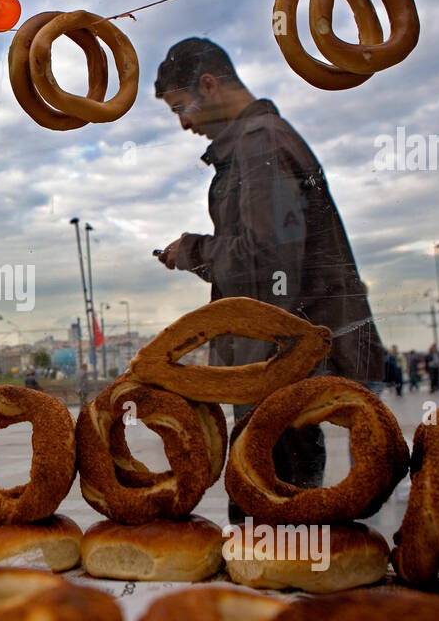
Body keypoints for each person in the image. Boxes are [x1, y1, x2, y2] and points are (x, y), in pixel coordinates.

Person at [154, 37, 385, 494]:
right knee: (281, 500)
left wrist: (193, 252)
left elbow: (269, 262)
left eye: (182, 107)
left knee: (272, 502)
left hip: (281, 364)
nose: (184, 125)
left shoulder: (260, 144)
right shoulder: (260, 141)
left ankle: (283, 561)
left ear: (209, 85)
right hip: (282, 359)